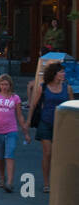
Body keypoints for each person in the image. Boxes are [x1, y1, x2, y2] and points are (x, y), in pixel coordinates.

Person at [28, 61, 74, 194]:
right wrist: (28, 121)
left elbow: (72, 107)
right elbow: (33, 105)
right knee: (47, 153)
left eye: (64, 72)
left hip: (62, 125)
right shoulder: (43, 87)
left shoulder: (67, 88)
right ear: (54, 74)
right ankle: (46, 183)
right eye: (61, 72)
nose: (64, 74)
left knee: (60, 154)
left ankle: (58, 180)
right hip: (45, 122)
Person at [0, 75, 28, 192]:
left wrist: (25, 132)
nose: (4, 87)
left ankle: (9, 182)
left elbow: (19, 116)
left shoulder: (15, 98)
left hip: (11, 130)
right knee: (0, 156)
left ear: (10, 85)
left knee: (9, 154)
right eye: (2, 84)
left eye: (6, 84)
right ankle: (2, 176)